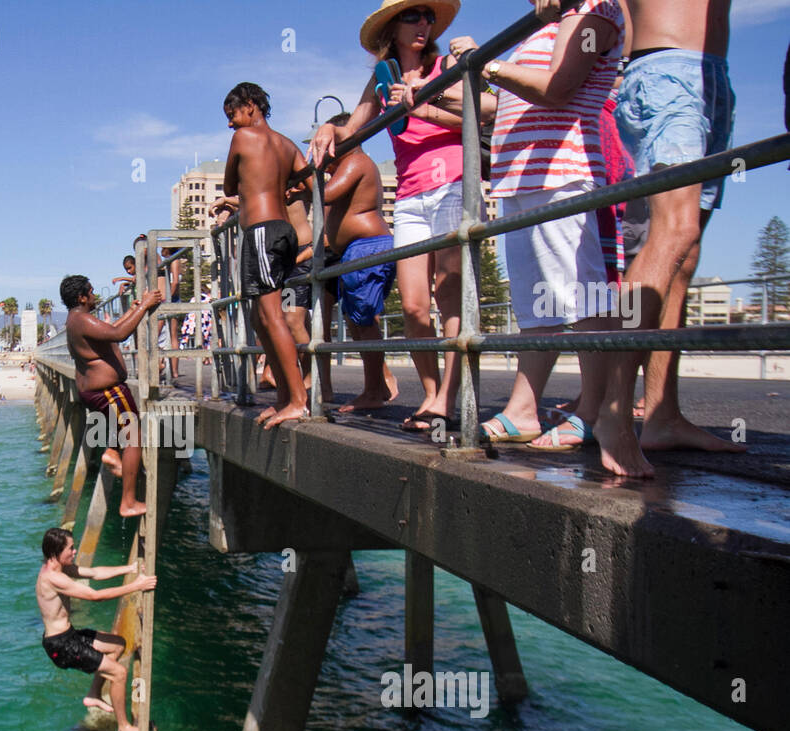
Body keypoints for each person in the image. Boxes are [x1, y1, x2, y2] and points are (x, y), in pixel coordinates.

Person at [536, 0, 740, 475]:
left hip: (713, 75)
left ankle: (663, 413)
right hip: (666, 71)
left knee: (685, 255)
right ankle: (612, 412)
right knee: (675, 229)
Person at [309, 1, 496, 433]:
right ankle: (433, 393)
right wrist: (328, 130)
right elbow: (353, 127)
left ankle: (447, 398)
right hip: (411, 196)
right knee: (413, 305)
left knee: (449, 293)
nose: (424, 25)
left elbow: (488, 108)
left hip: (453, 182)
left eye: (429, 17)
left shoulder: (446, 63)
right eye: (414, 17)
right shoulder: (382, 79)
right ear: (391, 28)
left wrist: (427, 102)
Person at [447, 0, 625, 446]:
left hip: (561, 171)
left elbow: (559, 89)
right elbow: (505, 100)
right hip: (524, 178)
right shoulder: (547, 27)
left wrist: (490, 63)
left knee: (585, 297)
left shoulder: (593, 11)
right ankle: (523, 410)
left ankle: (593, 410)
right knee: (536, 304)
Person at [222, 81, 311, 429]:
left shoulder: (243, 139)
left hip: (261, 231)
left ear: (250, 105)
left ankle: (298, 401)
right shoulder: (288, 145)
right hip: (285, 232)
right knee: (261, 319)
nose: (230, 124)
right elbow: (307, 182)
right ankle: (283, 398)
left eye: (232, 114)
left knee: (271, 317)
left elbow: (230, 186)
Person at [36, 528, 157, 731]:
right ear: (56, 552)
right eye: (70, 548)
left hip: (68, 636)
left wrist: (130, 568)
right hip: (61, 645)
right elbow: (95, 596)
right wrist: (136, 586)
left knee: (117, 644)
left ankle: (93, 694)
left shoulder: (60, 568)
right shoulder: (54, 578)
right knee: (119, 673)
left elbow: (95, 573)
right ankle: (124, 728)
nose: (74, 551)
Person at [315, 113, 399, 411]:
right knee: (358, 322)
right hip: (354, 251)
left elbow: (328, 194)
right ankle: (374, 388)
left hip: (366, 248)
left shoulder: (357, 161)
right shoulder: (346, 165)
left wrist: (306, 179)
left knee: (364, 321)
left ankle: (375, 391)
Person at [62, 274, 163, 517]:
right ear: (82, 297)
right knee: (134, 438)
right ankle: (127, 502)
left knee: (123, 429)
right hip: (108, 391)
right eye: (91, 291)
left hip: (95, 391)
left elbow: (113, 329)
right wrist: (147, 305)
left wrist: (135, 309)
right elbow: (119, 335)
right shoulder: (83, 320)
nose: (95, 295)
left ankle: (111, 451)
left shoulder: (76, 320)